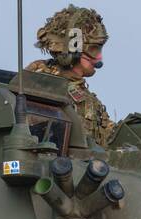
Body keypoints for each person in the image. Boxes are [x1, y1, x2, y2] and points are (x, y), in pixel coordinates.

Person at [25, 6, 115, 148]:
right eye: (94, 49)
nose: (99, 57)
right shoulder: (39, 86)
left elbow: (109, 140)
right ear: (71, 50)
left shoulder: (88, 98)